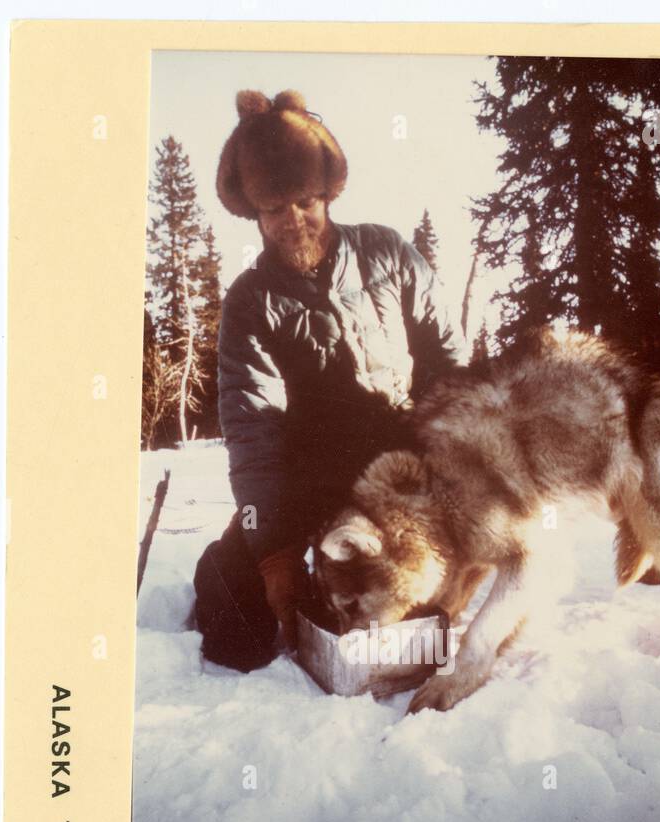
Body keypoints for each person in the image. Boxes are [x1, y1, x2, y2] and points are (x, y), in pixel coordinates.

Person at [193, 88, 465, 671]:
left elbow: (449, 363)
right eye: (274, 209)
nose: (292, 220)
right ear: (252, 212)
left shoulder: (388, 253)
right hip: (306, 476)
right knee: (233, 625)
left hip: (403, 461)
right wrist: (274, 557)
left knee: (407, 591)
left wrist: (448, 467)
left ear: (327, 193)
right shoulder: (250, 301)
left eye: (305, 201)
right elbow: (253, 431)